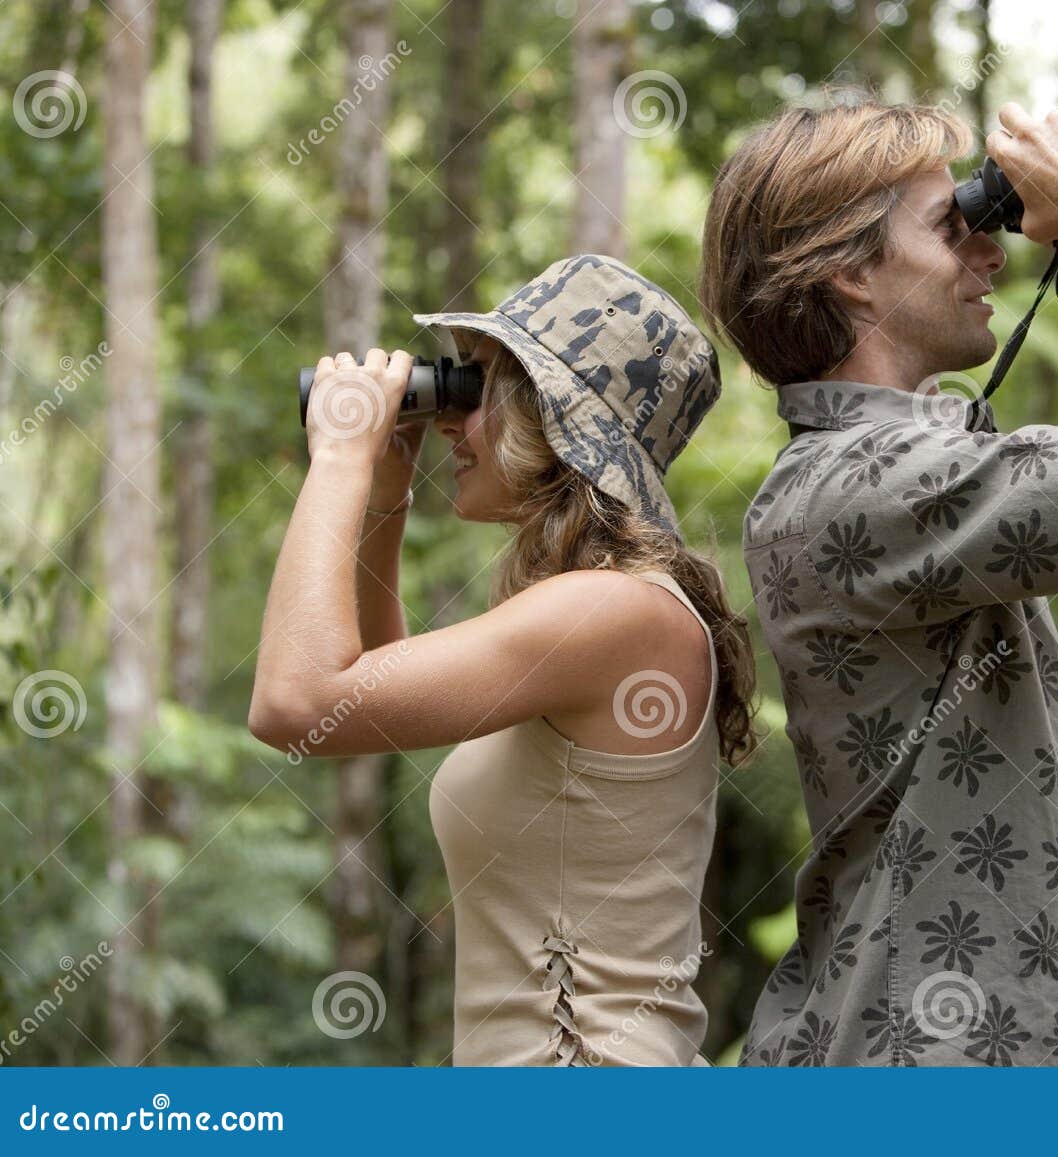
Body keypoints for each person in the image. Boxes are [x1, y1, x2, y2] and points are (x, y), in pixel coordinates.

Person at [700, 97, 1058, 1065]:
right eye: (950, 226)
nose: (990, 252)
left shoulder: (891, 473)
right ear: (848, 274)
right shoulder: (856, 486)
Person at [248, 254, 756, 1066]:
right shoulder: (595, 609)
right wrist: (384, 495)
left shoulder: (614, 610)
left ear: (549, 417)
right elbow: (374, 692)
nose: (451, 417)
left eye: (477, 388)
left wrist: (338, 457)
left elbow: (296, 702)